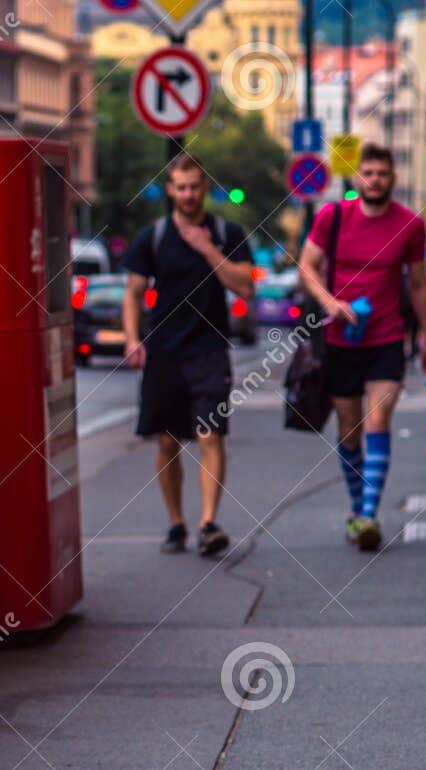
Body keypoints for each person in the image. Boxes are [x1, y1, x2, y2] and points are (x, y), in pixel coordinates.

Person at [297, 144, 426, 551]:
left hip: (387, 339)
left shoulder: (410, 225)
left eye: (382, 173)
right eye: (368, 173)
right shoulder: (332, 217)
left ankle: (369, 515)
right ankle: (358, 508)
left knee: (377, 422)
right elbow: (306, 266)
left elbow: (418, 283)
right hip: (340, 342)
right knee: (350, 430)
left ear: (393, 177)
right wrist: (330, 303)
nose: (374, 180)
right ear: (357, 177)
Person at [121, 153, 255, 556]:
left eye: (195, 186)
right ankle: (176, 523)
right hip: (164, 351)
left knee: (210, 434)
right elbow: (132, 291)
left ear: (204, 187)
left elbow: (245, 287)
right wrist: (132, 338)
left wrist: (209, 250)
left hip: (209, 349)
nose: (188, 194)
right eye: (181, 186)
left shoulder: (225, 232)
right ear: (170, 189)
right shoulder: (154, 236)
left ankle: (208, 523)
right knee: (166, 442)